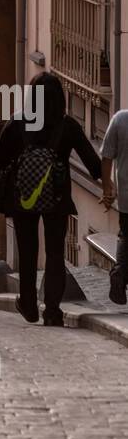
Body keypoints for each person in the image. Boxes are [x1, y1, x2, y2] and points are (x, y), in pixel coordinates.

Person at [0, 70, 101, 327]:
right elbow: (94, 166)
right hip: (57, 197)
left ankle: (29, 304)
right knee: (55, 253)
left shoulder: (18, 123)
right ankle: (53, 310)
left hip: (23, 198)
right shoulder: (68, 126)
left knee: (28, 251)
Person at [100, 108, 128, 305]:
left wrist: (107, 189)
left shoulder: (120, 119)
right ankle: (120, 273)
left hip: (127, 196)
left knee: (126, 235)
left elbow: (107, 156)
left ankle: (119, 273)